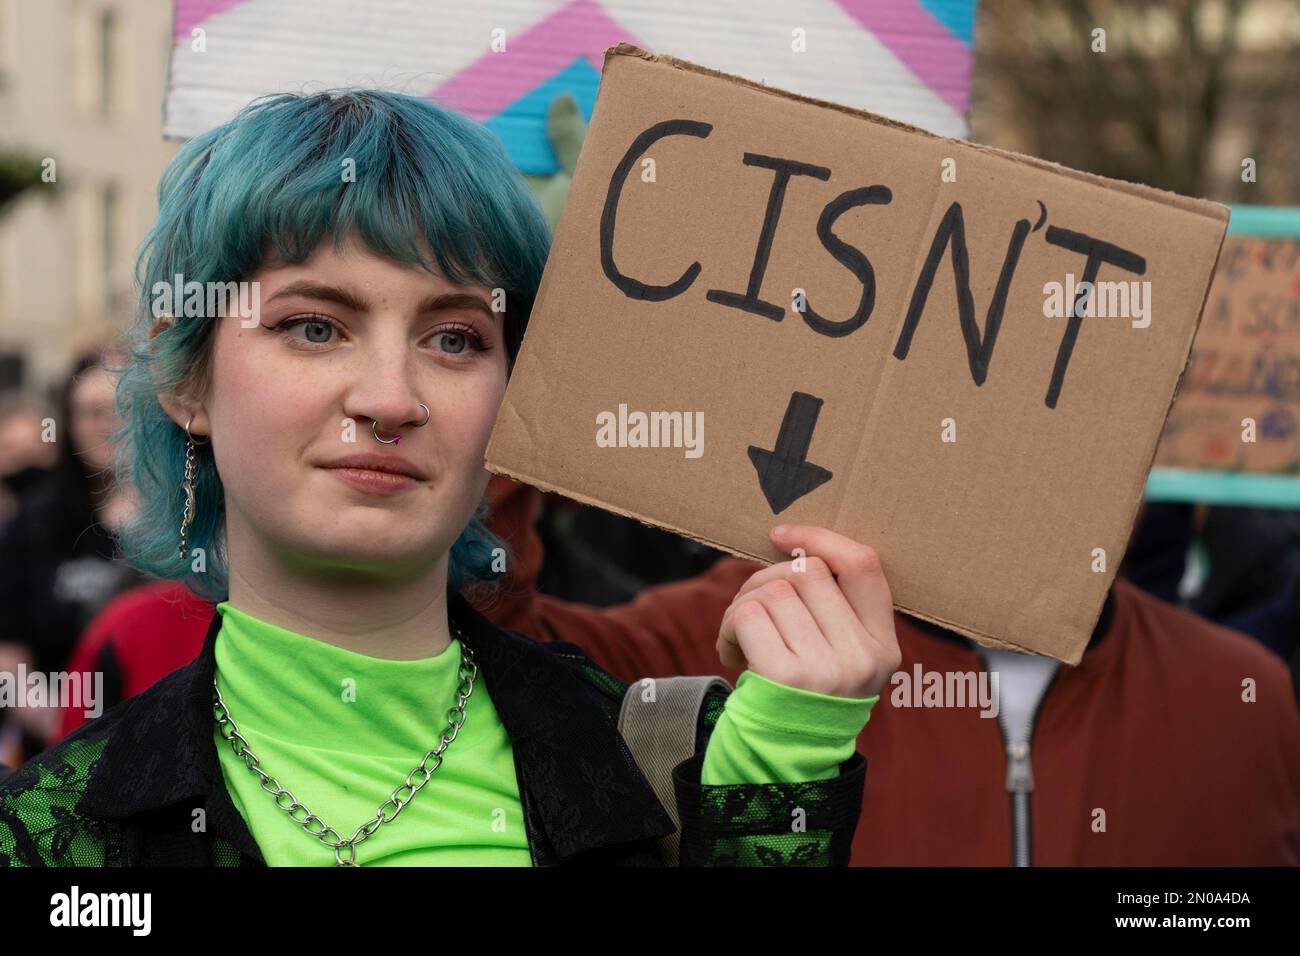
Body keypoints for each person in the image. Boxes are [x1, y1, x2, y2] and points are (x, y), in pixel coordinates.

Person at [0, 89, 902, 867]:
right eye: (314, 327)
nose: (391, 398)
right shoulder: (47, 837)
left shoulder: (672, 769)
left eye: (456, 339)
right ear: (185, 380)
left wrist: (779, 774)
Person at [0, 347, 144, 762]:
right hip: (55, 752)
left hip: (153, 744)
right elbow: (9, 653)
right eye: (91, 413)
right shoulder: (35, 521)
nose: (106, 424)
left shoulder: (177, 520)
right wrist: (61, 727)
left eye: (120, 409)